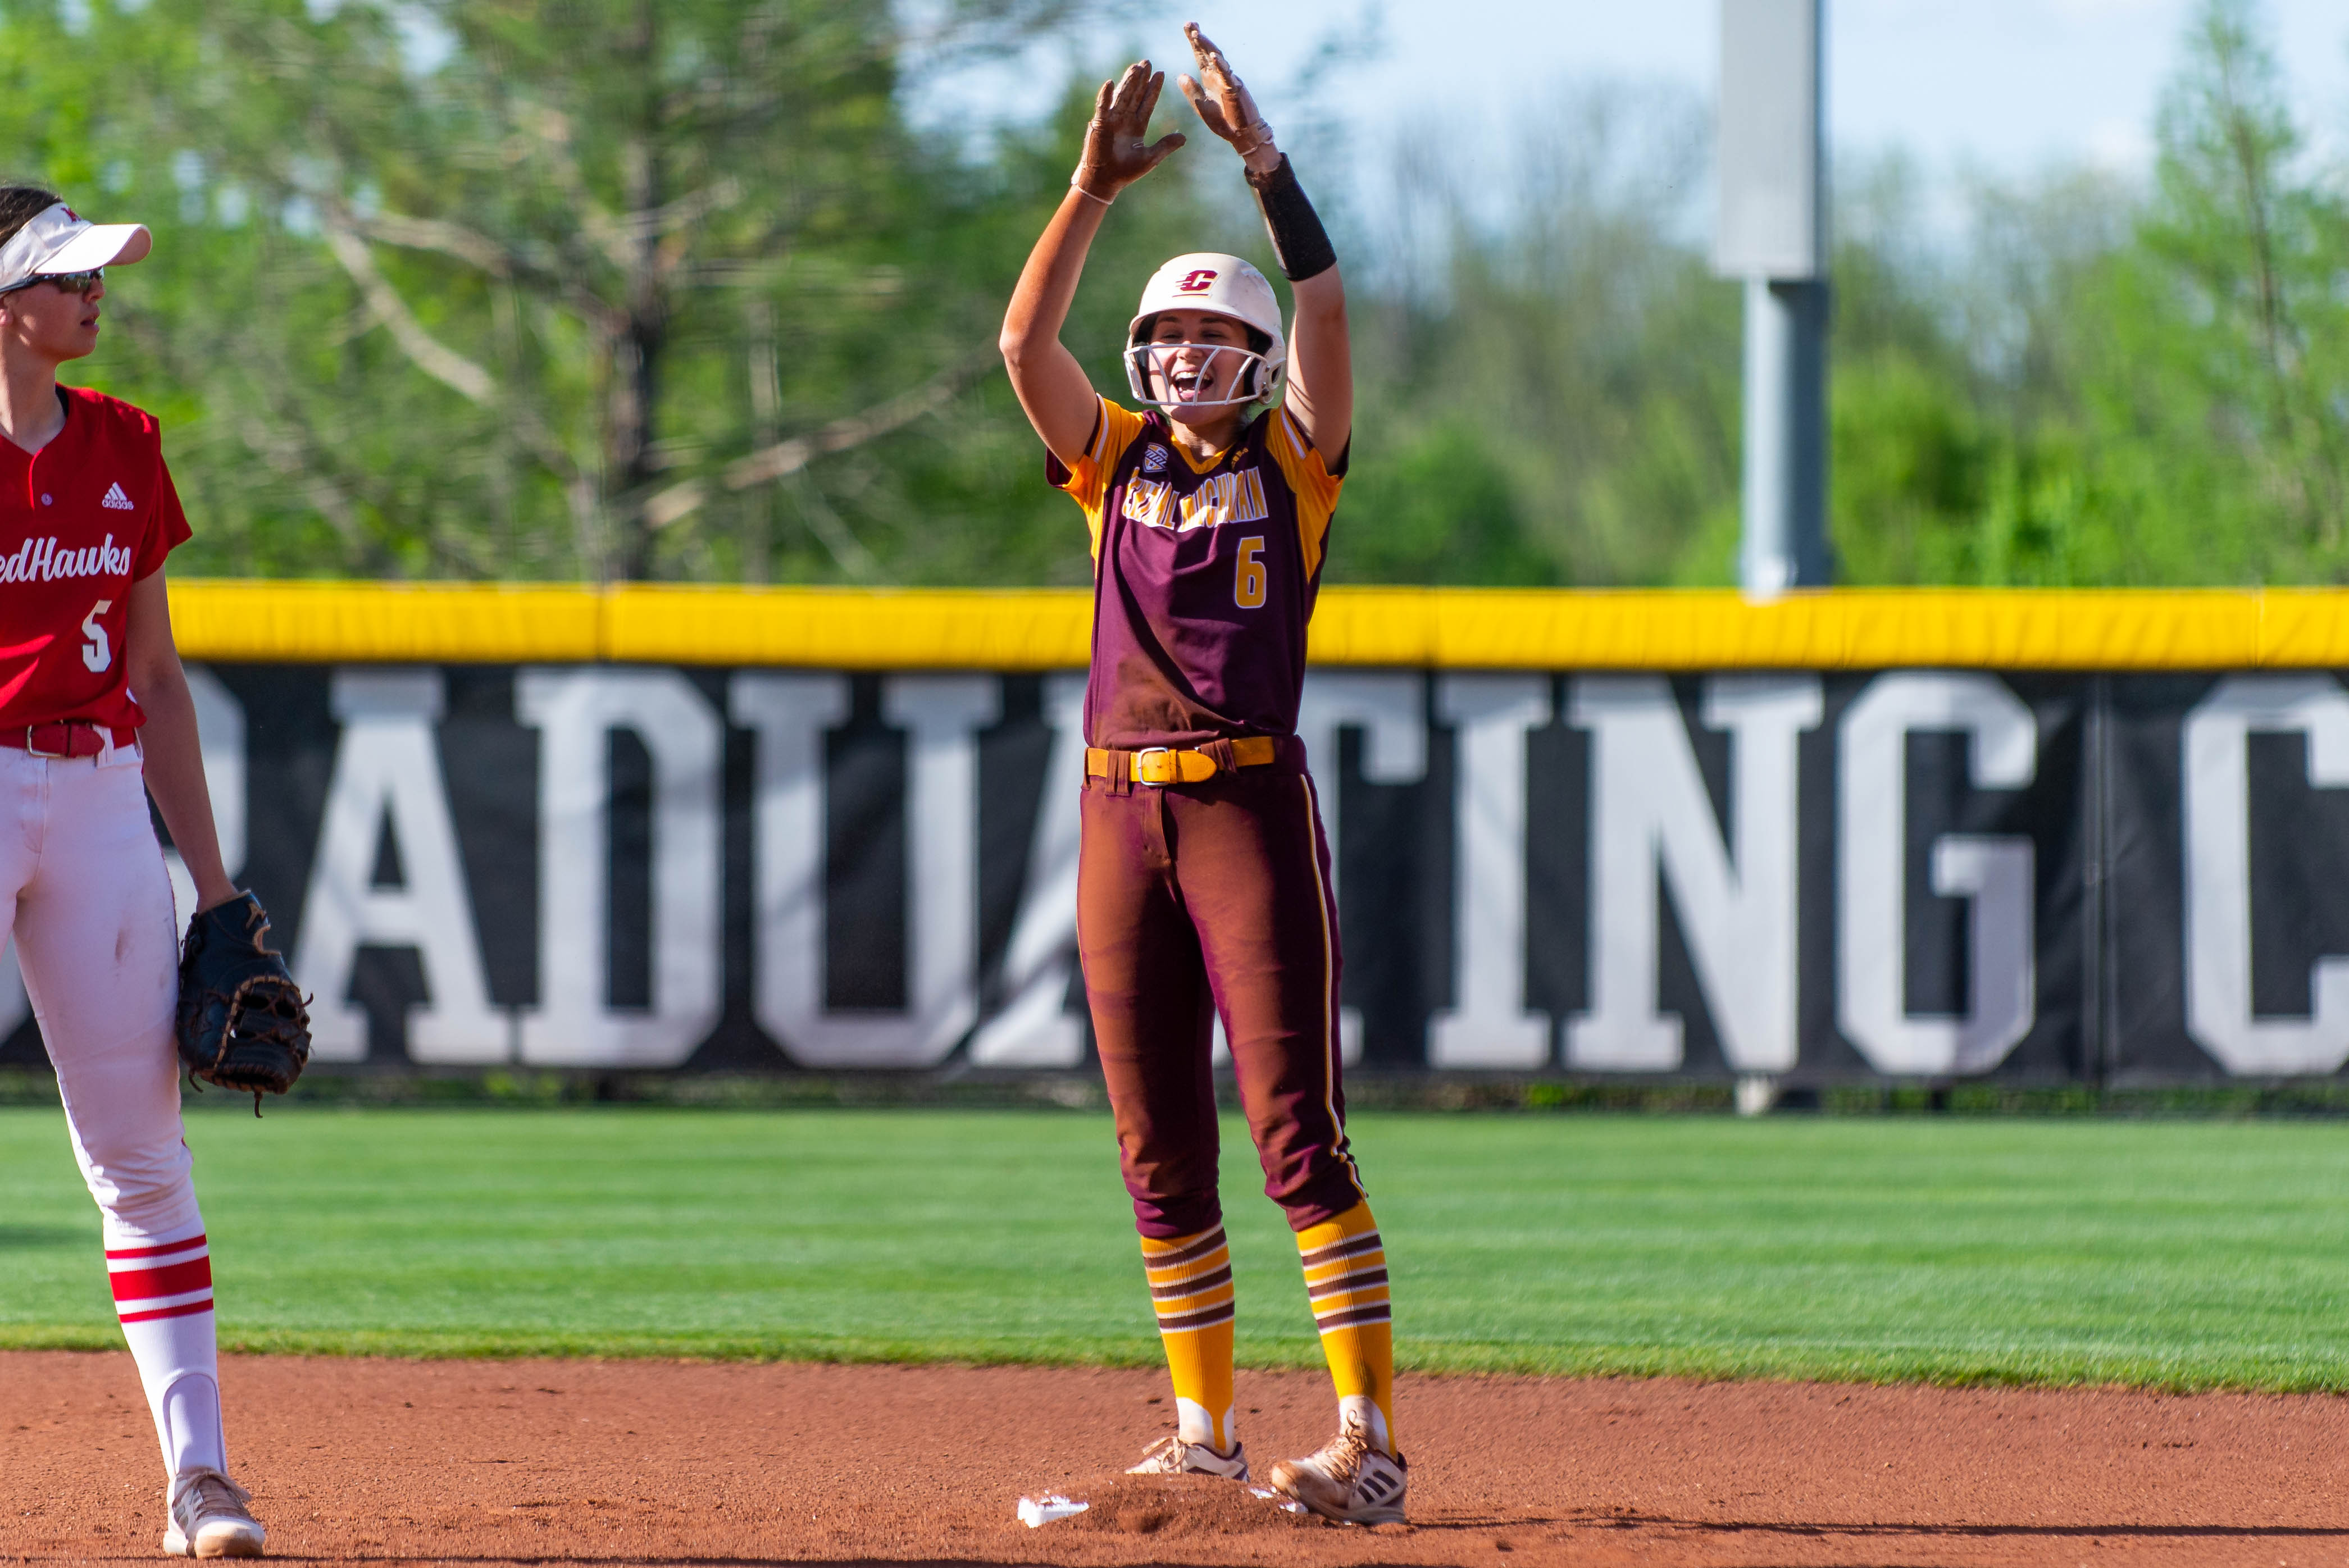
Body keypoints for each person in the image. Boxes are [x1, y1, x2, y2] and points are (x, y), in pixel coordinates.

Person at [998, 25, 1404, 1527]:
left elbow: (1325, 302)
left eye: (1206, 334)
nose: (1180, 352)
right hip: (1118, 807)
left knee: (1295, 1134)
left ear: (1250, 359)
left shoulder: (1293, 464)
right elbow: (1019, 348)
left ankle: (1369, 1444)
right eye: (1164, 335)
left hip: (1241, 805)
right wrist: (1088, 193)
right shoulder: (1115, 460)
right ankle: (1205, 1435)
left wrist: (1263, 164)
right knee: (1156, 1148)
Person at [0, 189, 268, 1557]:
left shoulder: (125, 442)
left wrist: (214, 890)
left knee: (143, 1157)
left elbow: (157, 678)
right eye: (70, 277)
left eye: (99, 275)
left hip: (103, 794)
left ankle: (200, 1479)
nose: (97, 294)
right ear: (8, 307)